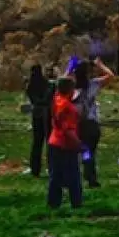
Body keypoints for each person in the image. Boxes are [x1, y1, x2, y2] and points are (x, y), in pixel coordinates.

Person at [72, 57, 114, 189]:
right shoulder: (93, 84)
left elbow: (60, 82)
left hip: (78, 125)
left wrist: (69, 68)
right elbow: (111, 76)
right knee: (90, 151)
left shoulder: (71, 89)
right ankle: (90, 175)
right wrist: (100, 65)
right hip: (92, 124)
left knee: (83, 150)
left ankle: (83, 172)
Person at [47, 75, 83, 210]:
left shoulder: (56, 99)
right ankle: (76, 203)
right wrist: (79, 144)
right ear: (70, 89)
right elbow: (68, 129)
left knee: (55, 175)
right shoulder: (67, 107)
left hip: (53, 141)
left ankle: (53, 203)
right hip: (66, 144)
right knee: (73, 175)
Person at [25, 64, 52, 178]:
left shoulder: (30, 87)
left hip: (37, 115)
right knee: (49, 143)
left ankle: (35, 169)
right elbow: (47, 98)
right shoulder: (47, 84)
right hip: (47, 114)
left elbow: (34, 100)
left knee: (37, 143)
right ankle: (51, 167)